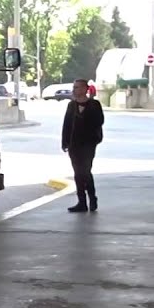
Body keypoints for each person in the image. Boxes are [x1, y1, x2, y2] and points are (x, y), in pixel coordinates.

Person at [61, 78, 104, 213]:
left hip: (88, 143)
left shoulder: (94, 104)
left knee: (85, 171)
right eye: (74, 87)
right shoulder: (71, 105)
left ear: (85, 89)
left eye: (78, 87)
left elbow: (99, 121)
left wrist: (83, 118)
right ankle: (82, 201)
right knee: (77, 173)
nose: (75, 90)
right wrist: (65, 142)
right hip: (74, 144)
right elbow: (66, 125)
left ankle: (92, 198)